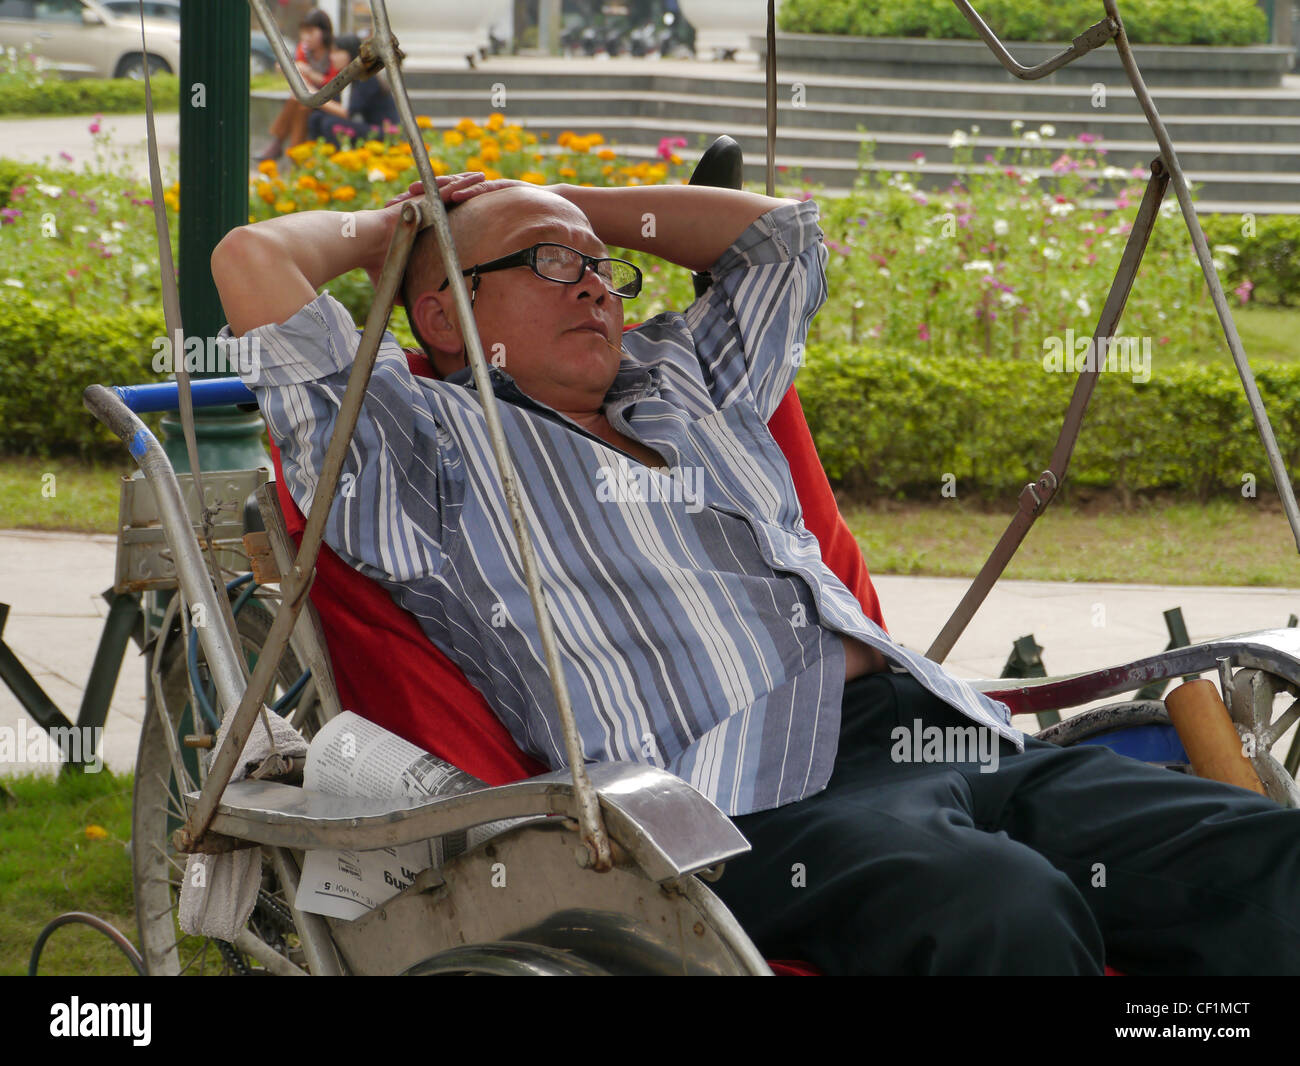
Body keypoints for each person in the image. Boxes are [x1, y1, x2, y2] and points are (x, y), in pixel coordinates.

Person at [212, 173, 1300, 976]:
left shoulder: (682, 379)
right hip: (738, 804)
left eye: (602, 264)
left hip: (936, 730)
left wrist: (556, 200)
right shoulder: (419, 454)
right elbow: (248, 262)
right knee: (998, 912)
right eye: (552, 264)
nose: (597, 284)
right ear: (444, 310)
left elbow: (779, 237)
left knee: (1263, 858)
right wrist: (401, 226)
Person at [257, 8, 339, 165]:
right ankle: (293, 154)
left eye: (311, 32)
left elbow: (333, 81)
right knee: (300, 103)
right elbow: (296, 75)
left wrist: (308, 71)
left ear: (323, 32)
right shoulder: (304, 49)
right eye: (304, 32)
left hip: (329, 97)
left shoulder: (333, 52)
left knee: (300, 100)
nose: (306, 37)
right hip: (308, 98)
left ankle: (278, 144)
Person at [306, 33, 399, 148]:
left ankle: (341, 158)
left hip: (382, 131)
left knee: (330, 123)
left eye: (337, 52)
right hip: (363, 125)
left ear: (350, 54)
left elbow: (347, 113)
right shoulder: (347, 77)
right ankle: (318, 156)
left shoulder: (366, 79)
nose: (332, 57)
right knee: (316, 118)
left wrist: (314, 95)